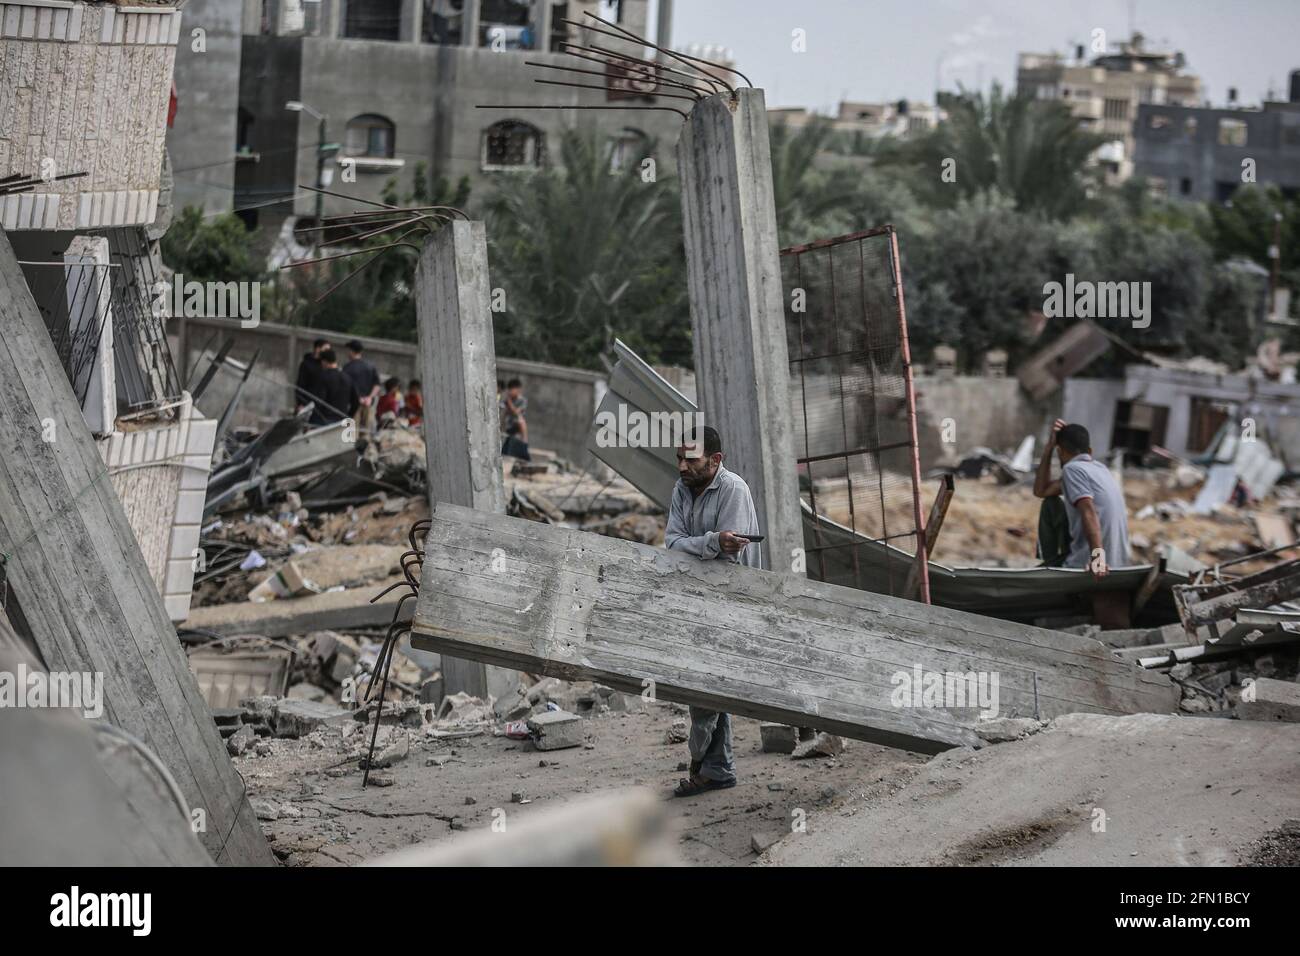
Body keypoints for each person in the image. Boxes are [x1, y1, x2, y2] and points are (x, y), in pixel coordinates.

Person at [664, 425, 761, 798]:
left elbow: (728, 559)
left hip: (734, 601)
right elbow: (672, 543)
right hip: (699, 601)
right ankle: (716, 767)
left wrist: (708, 547)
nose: (682, 467)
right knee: (706, 683)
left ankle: (707, 764)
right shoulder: (681, 490)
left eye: (690, 459)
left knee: (710, 685)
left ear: (715, 460)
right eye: (678, 458)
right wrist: (710, 542)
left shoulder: (733, 489)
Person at [1033, 419, 1133, 627]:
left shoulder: (1072, 470)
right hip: (1119, 560)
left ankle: (1055, 563)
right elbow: (1042, 491)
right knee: (1051, 501)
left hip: (1094, 562)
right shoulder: (1100, 470)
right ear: (1090, 450)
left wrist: (1097, 556)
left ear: (1060, 451)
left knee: (1050, 507)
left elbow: (1088, 511)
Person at [310, 348, 360, 426]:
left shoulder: (323, 377)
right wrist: (349, 417)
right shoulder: (348, 378)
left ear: (324, 361)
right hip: (342, 421)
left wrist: (311, 421)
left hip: (323, 421)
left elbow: (318, 402)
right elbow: (356, 402)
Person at [342, 340, 382, 432]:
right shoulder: (370, 366)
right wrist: (369, 397)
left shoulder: (347, 368)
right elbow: (377, 385)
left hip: (353, 407)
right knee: (366, 433)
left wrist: (358, 398)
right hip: (368, 405)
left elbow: (345, 388)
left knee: (351, 435)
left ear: (351, 351)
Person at [295, 338, 330, 413]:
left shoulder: (325, 365)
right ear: (317, 349)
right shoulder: (306, 364)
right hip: (307, 403)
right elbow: (300, 385)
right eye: (326, 349)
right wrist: (300, 403)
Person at [500, 377, 530, 459]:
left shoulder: (522, 400)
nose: (510, 392)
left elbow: (516, 412)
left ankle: (524, 445)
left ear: (518, 389)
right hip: (509, 428)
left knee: (521, 422)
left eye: (512, 389)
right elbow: (503, 411)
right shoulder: (507, 400)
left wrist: (509, 402)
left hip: (518, 428)